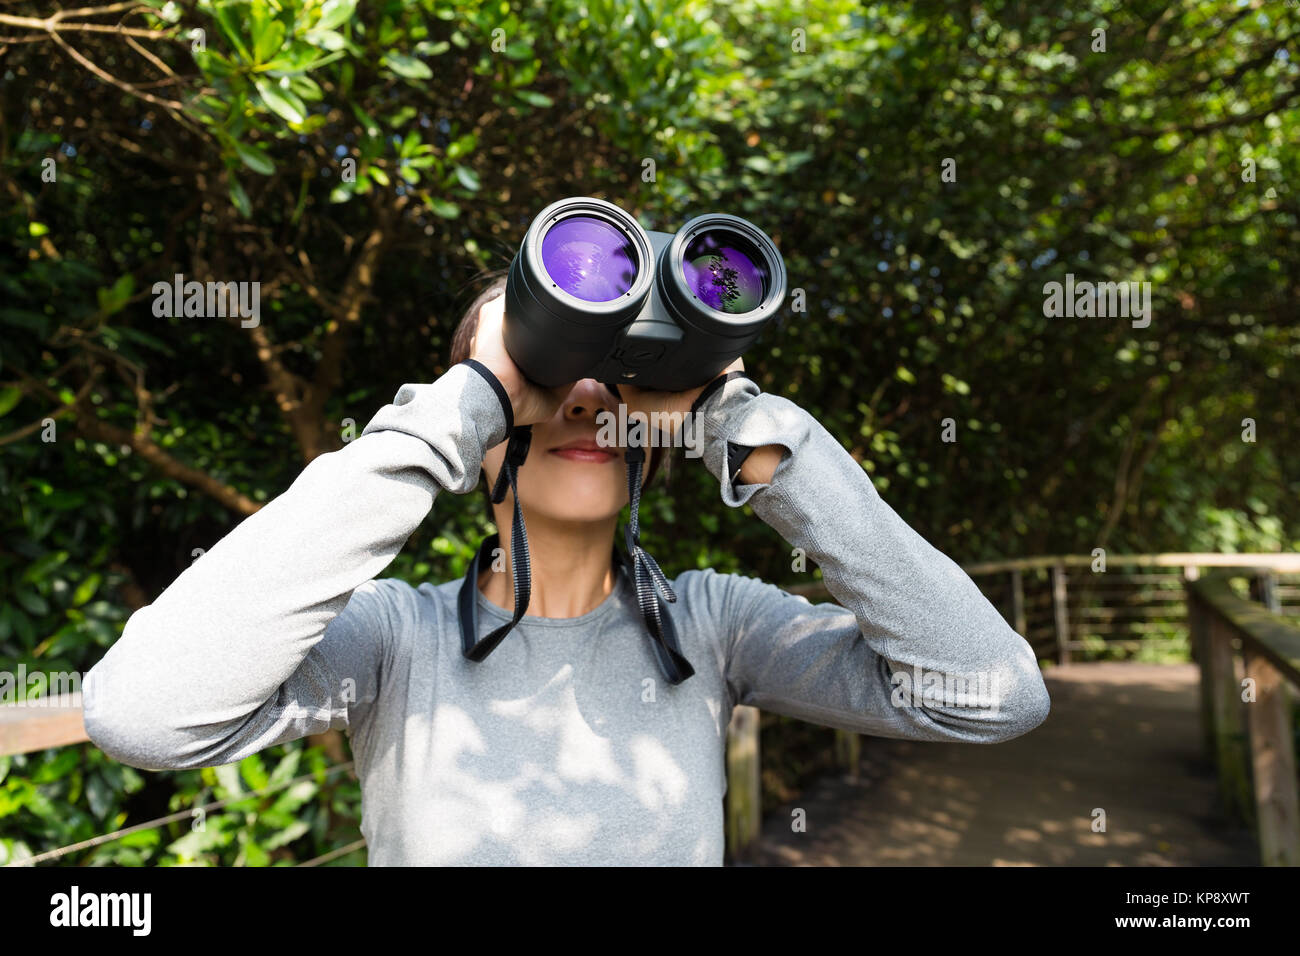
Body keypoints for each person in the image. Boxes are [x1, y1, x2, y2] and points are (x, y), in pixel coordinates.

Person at [82, 274, 1051, 866]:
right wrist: (466, 402)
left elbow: (991, 694)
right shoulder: (392, 635)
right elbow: (144, 712)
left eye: (613, 375)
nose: (583, 397)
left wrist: (736, 420)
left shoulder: (714, 624)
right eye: (543, 370)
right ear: (473, 424)